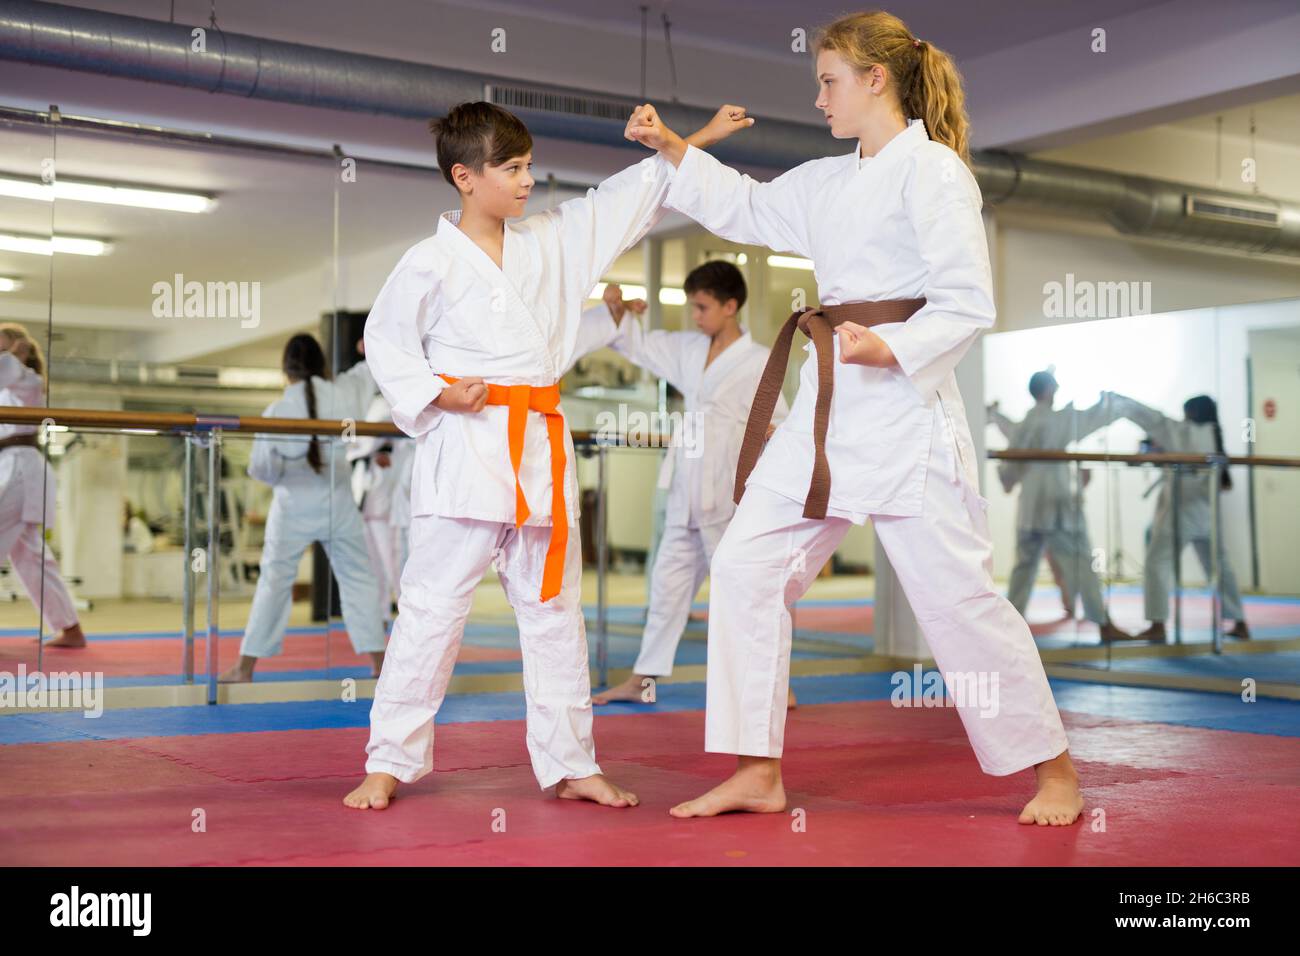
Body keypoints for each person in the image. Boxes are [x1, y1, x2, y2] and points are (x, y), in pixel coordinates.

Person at [627, 10, 1084, 825]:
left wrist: (893, 348)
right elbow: (745, 207)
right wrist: (675, 149)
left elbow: (968, 302)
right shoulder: (826, 181)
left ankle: (1053, 770)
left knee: (957, 601)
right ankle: (757, 768)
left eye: (829, 80)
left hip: (905, 412)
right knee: (745, 567)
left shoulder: (935, 171)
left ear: (877, 79)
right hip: (824, 412)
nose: (820, 98)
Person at [343, 100, 751, 811]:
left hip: (538, 449)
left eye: (529, 166)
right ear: (465, 177)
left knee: (556, 613)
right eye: (512, 168)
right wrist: (439, 395)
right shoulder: (429, 261)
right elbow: (386, 344)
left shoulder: (550, 241)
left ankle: (571, 763)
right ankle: (388, 760)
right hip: (467, 453)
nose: (528, 180)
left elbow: (623, 198)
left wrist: (691, 142)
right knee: (433, 609)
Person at [592, 264, 792, 707]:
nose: (695, 316)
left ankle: (774, 683)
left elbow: (778, 422)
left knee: (743, 592)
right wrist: (620, 310)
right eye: (692, 307)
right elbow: (638, 344)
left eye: (702, 307)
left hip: (728, 496)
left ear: (730, 305)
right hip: (686, 489)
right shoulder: (688, 349)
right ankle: (643, 679)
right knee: (666, 590)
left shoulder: (759, 360)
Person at [218, 333, 385, 682]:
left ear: (286, 371)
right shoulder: (343, 393)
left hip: (292, 507)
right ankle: (380, 665)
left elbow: (261, 469)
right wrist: (371, 344)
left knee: (274, 583)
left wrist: (286, 473)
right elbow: (369, 372)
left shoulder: (277, 411)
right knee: (359, 580)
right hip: (338, 504)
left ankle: (245, 668)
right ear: (321, 364)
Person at [987, 370, 1135, 642]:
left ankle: (1008, 627)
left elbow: (1012, 456)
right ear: (1049, 390)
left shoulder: (1028, 422)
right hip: (1056, 504)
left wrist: (1008, 479)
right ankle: (1102, 623)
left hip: (1030, 505)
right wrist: (1109, 404)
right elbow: (1090, 419)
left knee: (1023, 569)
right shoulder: (1057, 419)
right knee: (1080, 561)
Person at [1109, 392, 1250, 641]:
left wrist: (1120, 400)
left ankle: (1157, 624)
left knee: (1157, 563)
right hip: (1207, 514)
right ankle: (1239, 621)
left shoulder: (1186, 432)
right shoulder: (1212, 434)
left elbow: (1154, 420)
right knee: (1219, 567)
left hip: (1182, 511)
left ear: (1192, 413)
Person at [0, 323, 86, 648]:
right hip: (12, 467)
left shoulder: (27, 380)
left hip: (19, 469)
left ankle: (71, 628)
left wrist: (13, 355)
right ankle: (70, 628)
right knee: (30, 557)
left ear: (17, 348)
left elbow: (5, 369)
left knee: (30, 555)